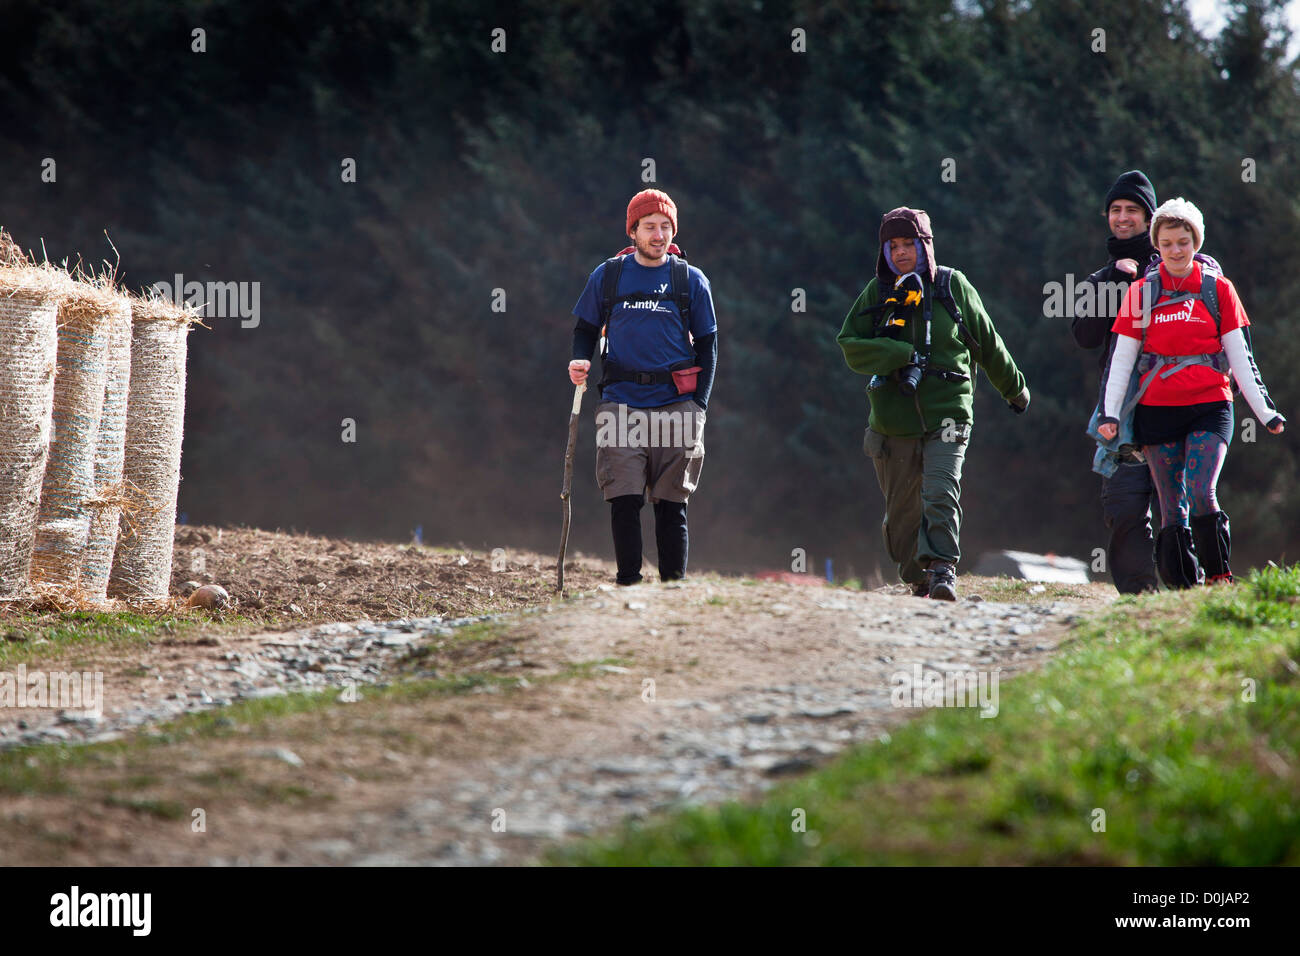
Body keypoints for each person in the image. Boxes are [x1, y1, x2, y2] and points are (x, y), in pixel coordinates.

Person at [837, 207, 1030, 600]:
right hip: (893, 423)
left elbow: (988, 343)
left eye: (910, 243)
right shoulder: (877, 293)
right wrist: (898, 355)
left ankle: (943, 568)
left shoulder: (952, 286)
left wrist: (1014, 389)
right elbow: (849, 346)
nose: (902, 252)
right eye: (894, 245)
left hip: (949, 413)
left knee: (941, 490)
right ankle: (918, 578)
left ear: (926, 245)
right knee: (902, 515)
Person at [1097, 197, 1285, 587]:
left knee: (1201, 491)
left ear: (1195, 241)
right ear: (1158, 246)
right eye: (1166, 244)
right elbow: (1122, 359)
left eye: (1183, 242)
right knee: (1171, 510)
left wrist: (1265, 412)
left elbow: (1241, 357)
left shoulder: (1218, 290)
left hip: (1210, 408)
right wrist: (1110, 414)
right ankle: (1184, 591)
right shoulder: (1142, 293)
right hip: (1157, 413)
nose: (1175, 251)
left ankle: (1219, 577)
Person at [567, 189, 718, 585]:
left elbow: (708, 345)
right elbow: (584, 329)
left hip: (678, 404)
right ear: (633, 230)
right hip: (620, 401)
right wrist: (579, 359)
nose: (658, 234)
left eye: (665, 226)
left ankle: (672, 591)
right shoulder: (608, 275)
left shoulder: (690, 280)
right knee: (624, 498)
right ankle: (628, 586)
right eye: (649, 226)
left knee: (671, 505)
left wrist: (698, 406)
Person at [1073, 170, 1162, 594]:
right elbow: (1085, 337)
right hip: (1123, 412)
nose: (1123, 218)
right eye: (1115, 210)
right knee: (1125, 507)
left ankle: (1190, 593)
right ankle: (1140, 600)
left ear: (1150, 217)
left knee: (1178, 506)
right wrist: (1114, 281)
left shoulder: (1181, 265)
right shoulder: (1102, 277)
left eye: (1132, 210)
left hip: (1178, 403)